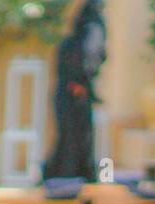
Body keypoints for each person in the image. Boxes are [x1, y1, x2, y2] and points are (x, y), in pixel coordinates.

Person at [42, 0, 106, 182]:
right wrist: (76, 87)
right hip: (68, 96)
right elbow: (70, 70)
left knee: (82, 139)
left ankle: (81, 178)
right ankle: (63, 178)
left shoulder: (91, 30)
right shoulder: (73, 43)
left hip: (80, 97)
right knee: (68, 140)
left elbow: (97, 59)